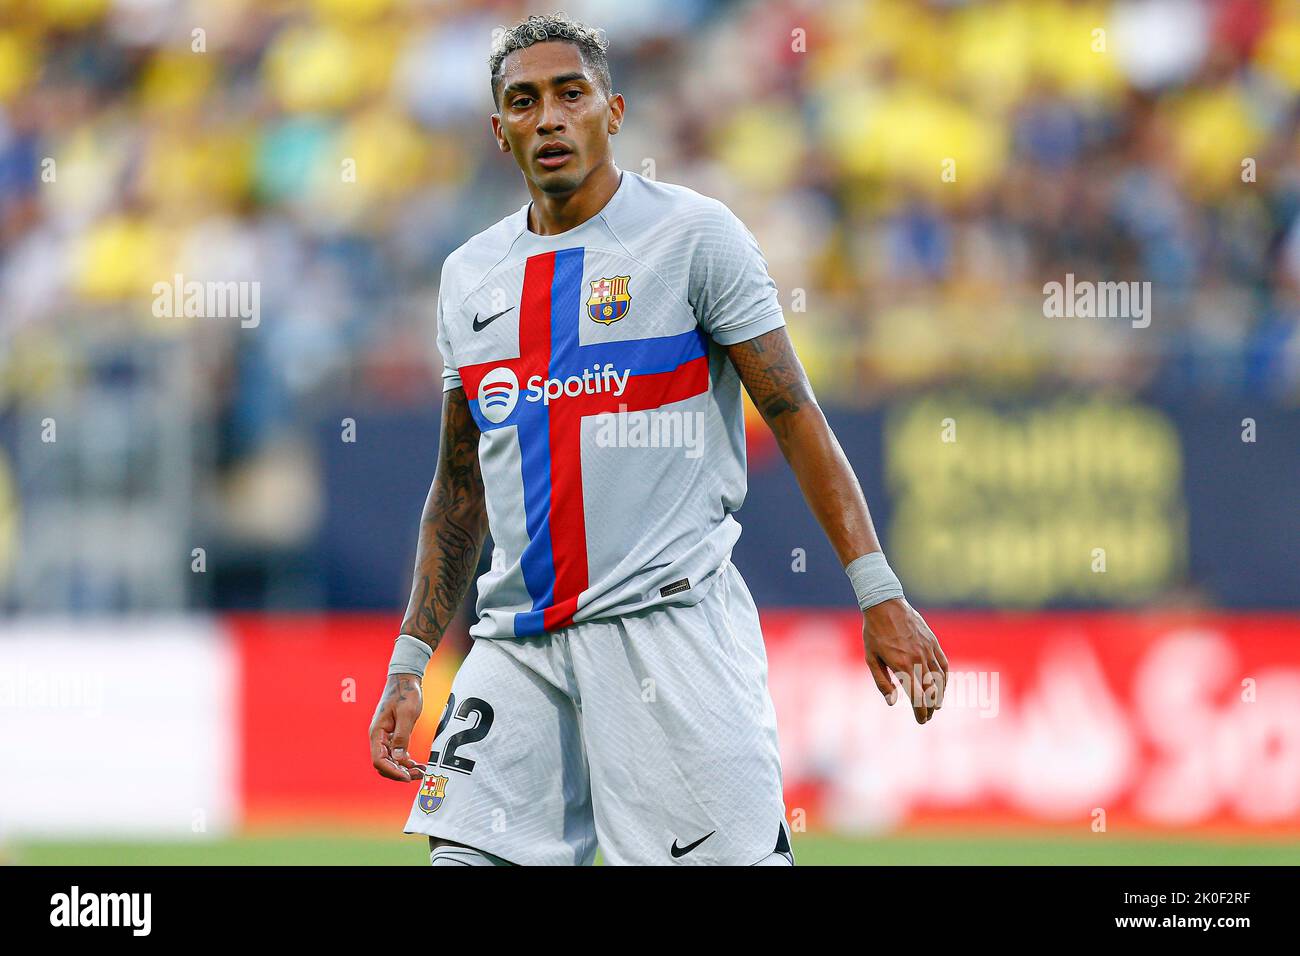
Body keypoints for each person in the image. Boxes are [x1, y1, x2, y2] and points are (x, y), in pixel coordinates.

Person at [368, 13, 948, 866]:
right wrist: (411, 659)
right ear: (500, 132)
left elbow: (794, 413)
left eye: (573, 94)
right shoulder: (470, 279)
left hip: (667, 631)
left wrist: (878, 590)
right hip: (518, 644)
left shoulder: (693, 237)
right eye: (524, 102)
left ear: (615, 111)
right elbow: (460, 486)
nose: (551, 117)